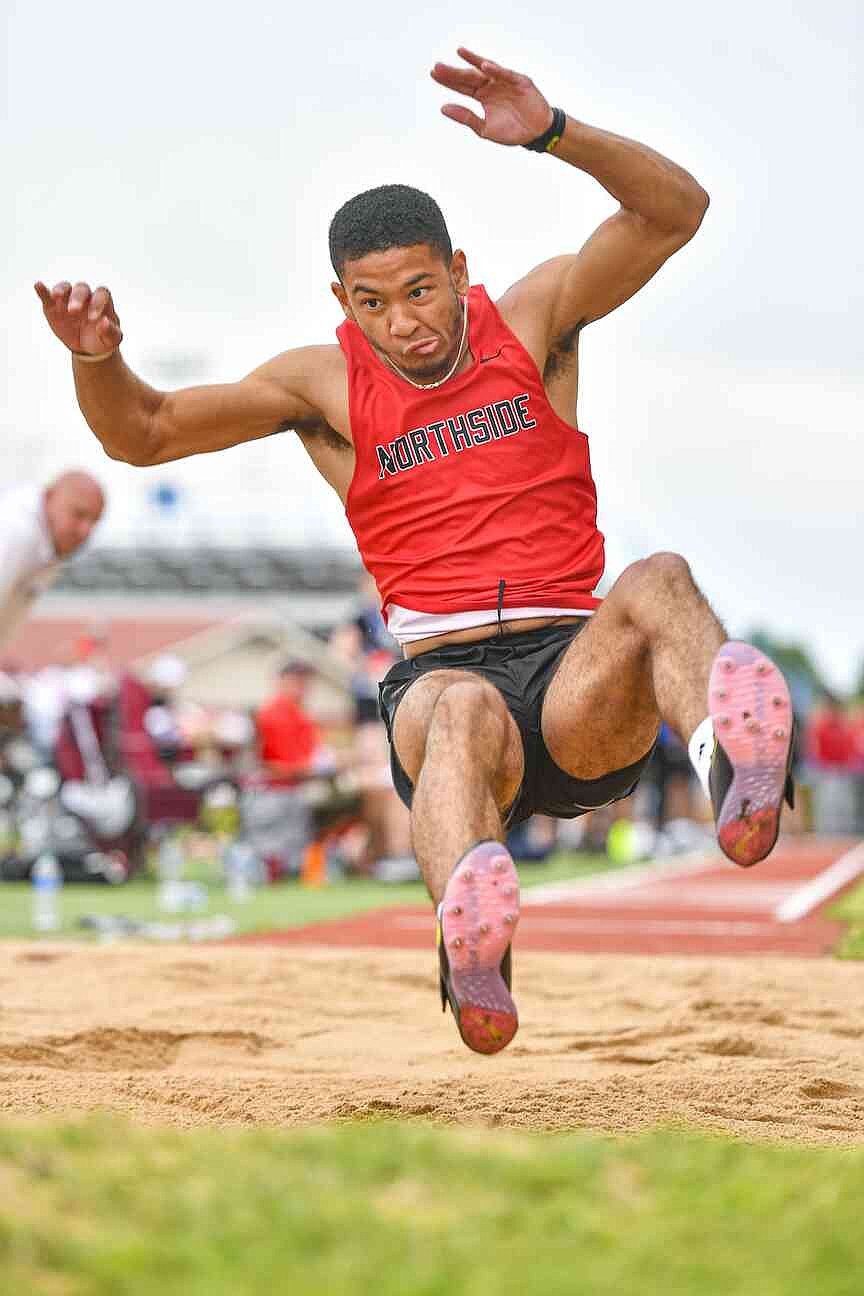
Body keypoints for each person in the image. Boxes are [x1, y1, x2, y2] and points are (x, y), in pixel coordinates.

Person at [35, 47, 795, 1055]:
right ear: (342, 299)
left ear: (461, 274)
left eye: (421, 291)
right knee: (460, 707)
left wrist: (558, 133)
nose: (405, 324)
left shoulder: (531, 321)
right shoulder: (325, 386)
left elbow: (675, 211)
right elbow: (147, 431)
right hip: (445, 691)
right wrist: (99, 358)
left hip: (577, 684)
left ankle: (733, 772)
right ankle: (475, 958)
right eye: (372, 301)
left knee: (659, 580)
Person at [0, 472, 105, 650]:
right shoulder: (15, 531)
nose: (86, 530)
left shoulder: (50, 540)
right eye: (78, 514)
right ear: (49, 497)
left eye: (94, 521)